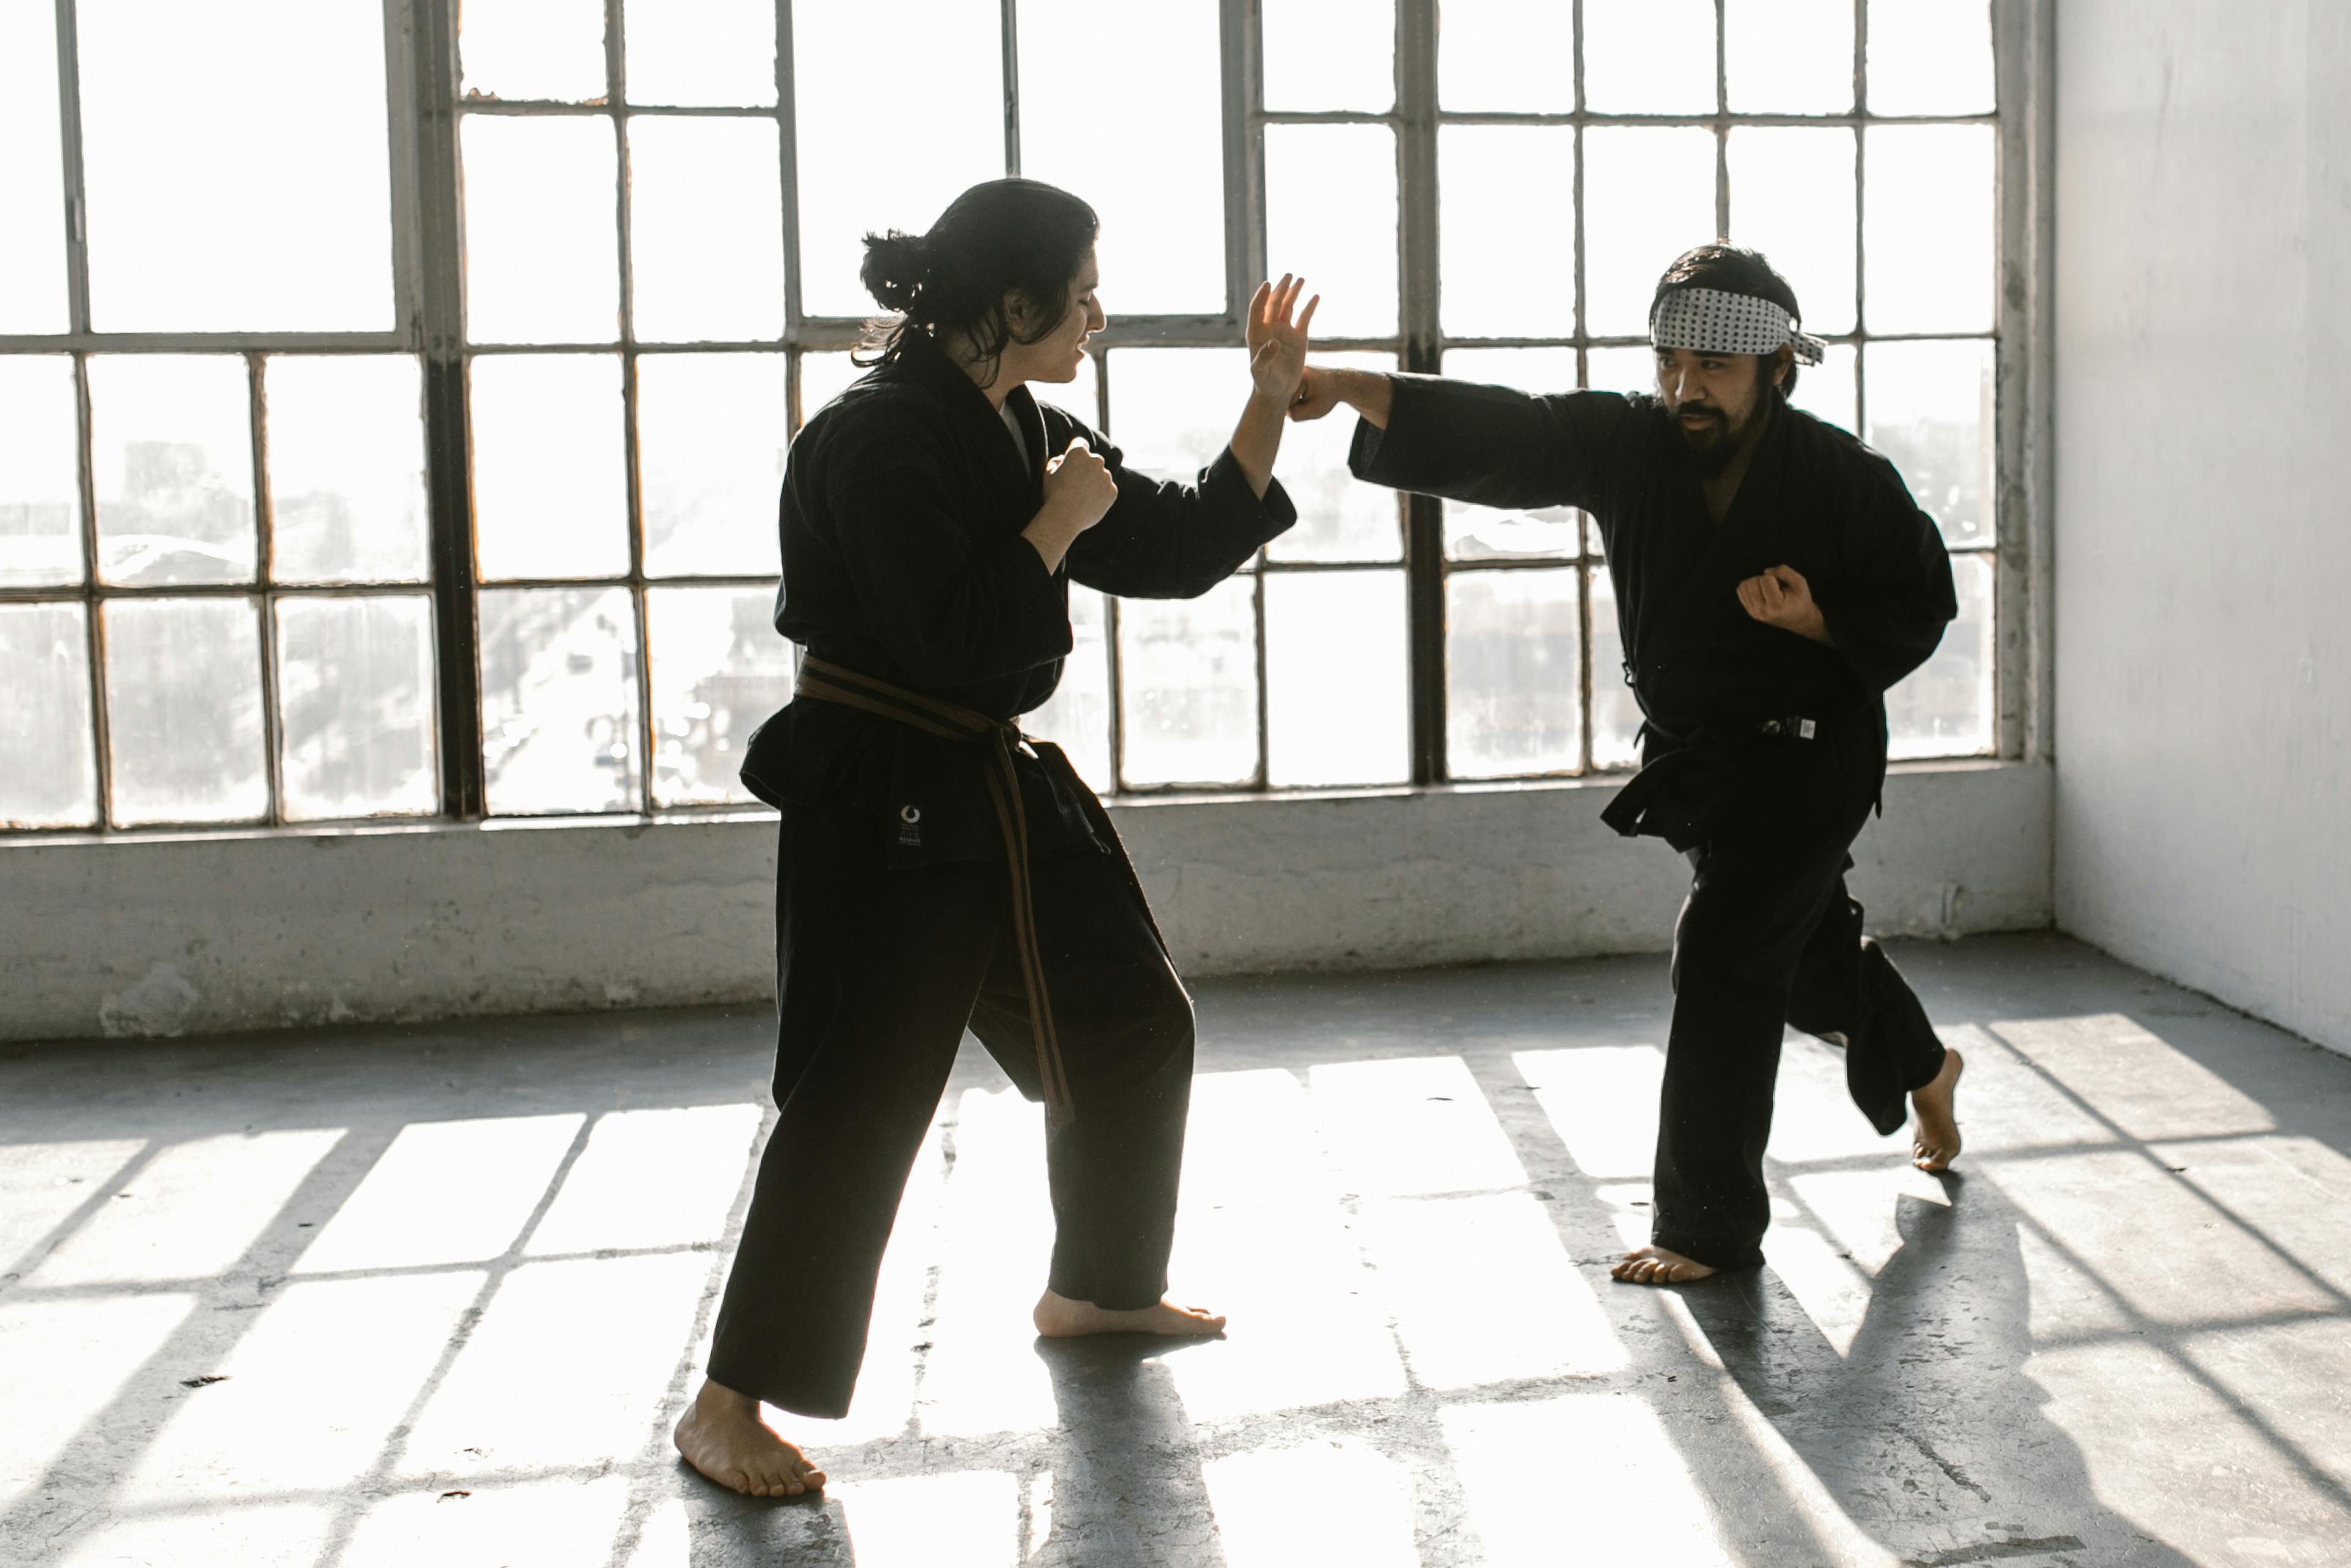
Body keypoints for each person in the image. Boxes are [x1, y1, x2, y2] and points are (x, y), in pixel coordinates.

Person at [675, 178, 1318, 1497]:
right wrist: (1054, 520)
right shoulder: (871, 440)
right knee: (857, 1093)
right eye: (1081, 290)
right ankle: (724, 1404)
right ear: (1011, 302)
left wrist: (1267, 395)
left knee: (1134, 1022)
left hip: (988, 784)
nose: (1097, 311)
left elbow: (1182, 539)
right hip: (879, 789)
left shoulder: (1028, 422)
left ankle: (1098, 1290)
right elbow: (952, 635)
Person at [1292, 243, 1967, 1286]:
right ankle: (1925, 1064)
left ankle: (1705, 1226)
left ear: (1777, 368)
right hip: (1704, 767)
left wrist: (1818, 617)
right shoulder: (1631, 444)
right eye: (1670, 362)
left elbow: (1924, 603)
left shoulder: (1844, 480)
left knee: (1726, 952)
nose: (1686, 389)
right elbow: (1510, 432)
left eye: (1714, 369)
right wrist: (1347, 388)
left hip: (1811, 760)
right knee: (1799, 958)